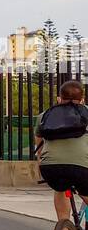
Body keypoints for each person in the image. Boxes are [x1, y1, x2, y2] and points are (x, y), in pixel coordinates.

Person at [34, 79, 88, 222]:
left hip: (50, 168)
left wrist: (40, 162)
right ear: (82, 100)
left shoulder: (44, 116)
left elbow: (38, 147)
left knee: (60, 189)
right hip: (81, 167)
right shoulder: (86, 113)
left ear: (59, 99)